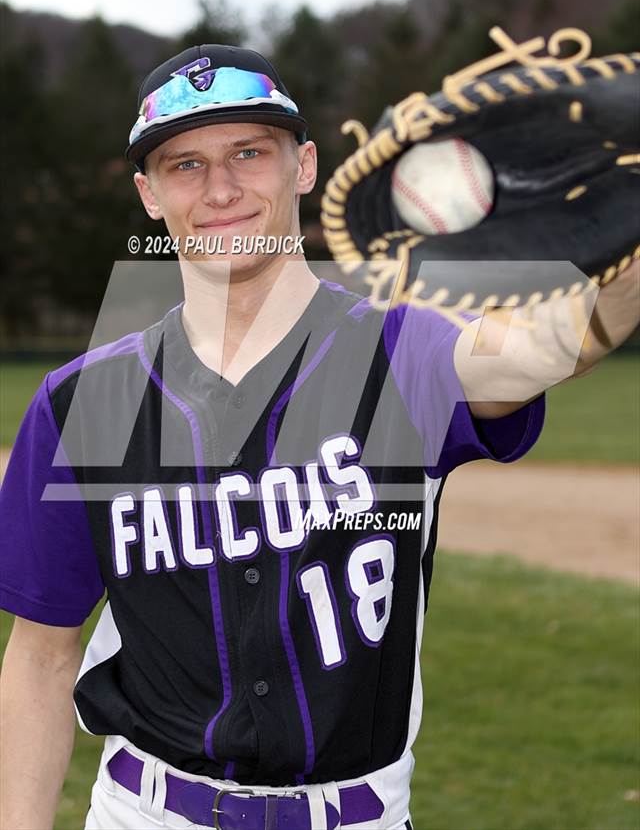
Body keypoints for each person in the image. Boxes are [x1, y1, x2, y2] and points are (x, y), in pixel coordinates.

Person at [1, 44, 637, 830]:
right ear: (148, 195)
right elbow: (41, 656)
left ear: (303, 167)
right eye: (185, 165)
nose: (222, 188)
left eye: (248, 152)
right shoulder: (82, 402)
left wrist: (627, 263)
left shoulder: (405, 353)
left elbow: (546, 348)